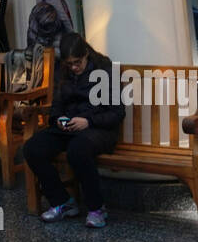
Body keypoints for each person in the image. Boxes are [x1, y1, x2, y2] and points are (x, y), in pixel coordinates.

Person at [22, 33, 125, 228]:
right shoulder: (65, 71)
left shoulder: (105, 70)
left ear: (86, 53)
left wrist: (88, 121)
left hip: (99, 128)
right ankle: (62, 201)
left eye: (77, 62)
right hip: (69, 128)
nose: (74, 67)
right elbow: (56, 106)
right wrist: (58, 119)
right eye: (69, 64)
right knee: (32, 148)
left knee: (77, 150)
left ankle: (97, 208)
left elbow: (117, 113)